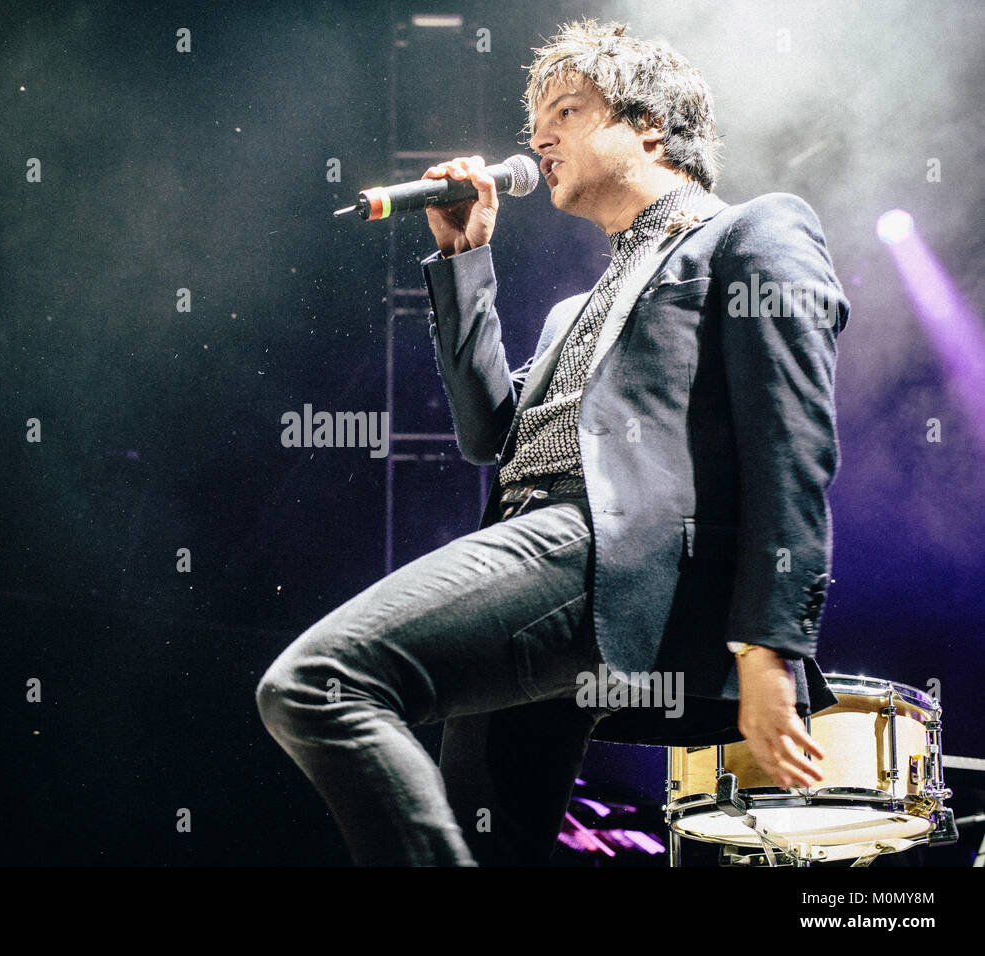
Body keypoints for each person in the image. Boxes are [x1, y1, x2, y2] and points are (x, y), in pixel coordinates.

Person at [256, 18, 849, 866]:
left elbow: (792, 444)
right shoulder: (578, 308)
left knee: (319, 683)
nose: (538, 139)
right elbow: (487, 434)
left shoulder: (754, 232)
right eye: (536, 125)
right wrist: (465, 258)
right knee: (490, 839)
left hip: (610, 546)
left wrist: (768, 648)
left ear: (650, 125)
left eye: (566, 112)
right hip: (531, 556)